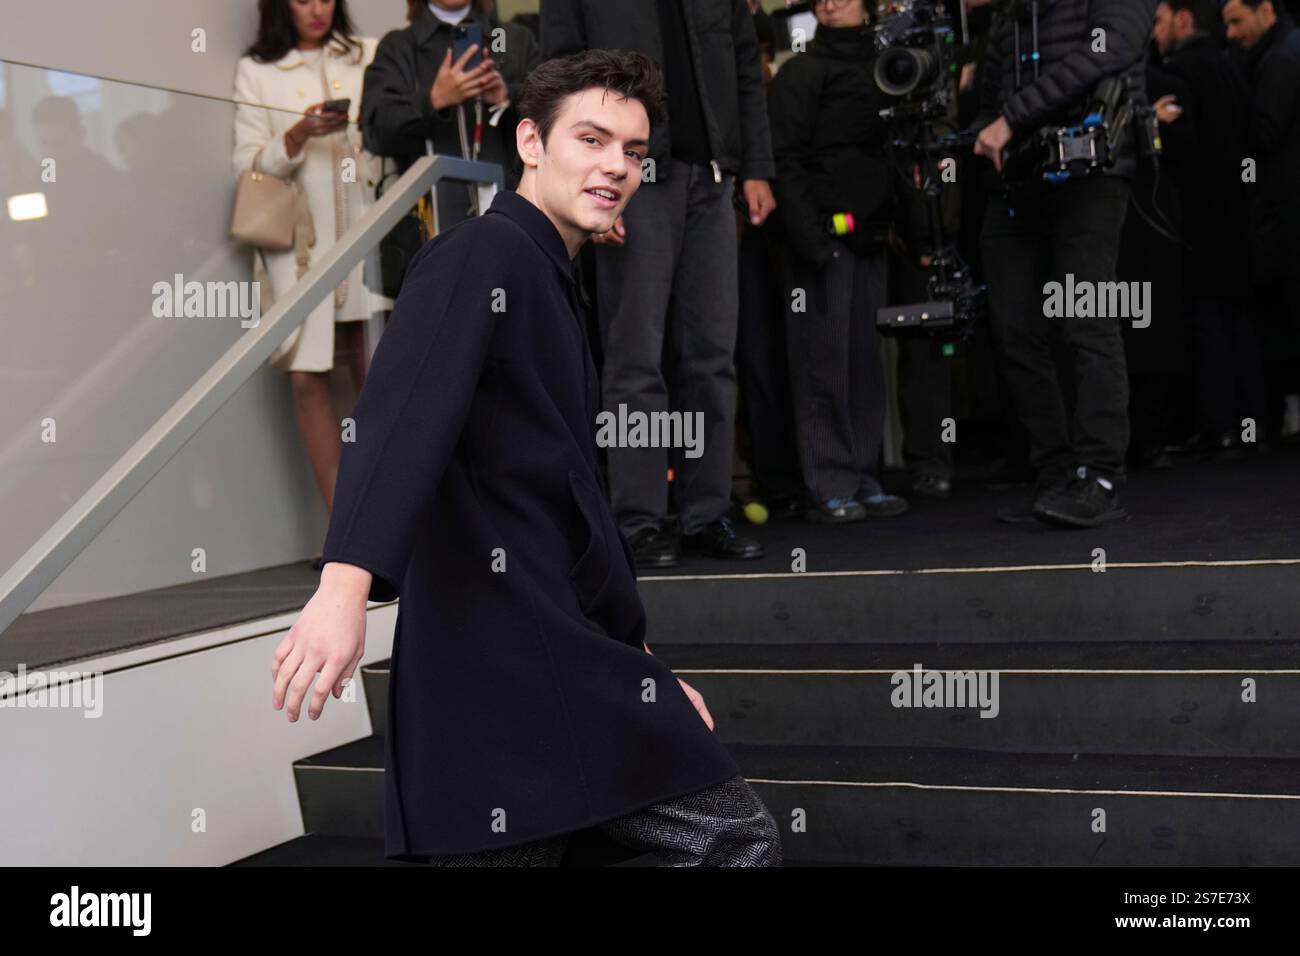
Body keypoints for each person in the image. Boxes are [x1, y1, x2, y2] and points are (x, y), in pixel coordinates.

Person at [272, 49, 783, 867]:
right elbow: (399, 418)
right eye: (591, 138)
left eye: (634, 152)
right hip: (502, 660)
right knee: (733, 840)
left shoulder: (548, 278)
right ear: (531, 144)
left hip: (544, 655)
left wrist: (639, 667)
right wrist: (343, 585)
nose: (616, 165)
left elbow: (571, 501)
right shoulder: (481, 255)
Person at [541, 0, 777, 568]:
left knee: (713, 358)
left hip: (714, 178)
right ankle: (639, 522)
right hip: (634, 178)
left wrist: (758, 168)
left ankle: (706, 514)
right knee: (634, 361)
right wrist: (594, 185)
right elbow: (561, 75)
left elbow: (746, 66)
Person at [973, 0, 1159, 528]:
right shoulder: (1010, 10)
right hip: (1019, 174)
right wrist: (985, 133)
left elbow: (1110, 49)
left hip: (1094, 166)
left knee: (1087, 318)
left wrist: (1011, 117)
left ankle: (1098, 475)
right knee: (1013, 329)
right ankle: (1054, 474)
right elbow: (991, 90)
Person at [233, 0, 392, 563]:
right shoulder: (259, 69)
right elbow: (246, 165)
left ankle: (395, 521)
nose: (317, 8)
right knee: (306, 378)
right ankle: (344, 536)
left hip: (368, 231)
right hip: (301, 245)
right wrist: (298, 135)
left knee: (380, 369)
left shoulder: (368, 55)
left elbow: (394, 128)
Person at [767, 0, 911, 522]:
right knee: (822, 363)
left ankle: (863, 475)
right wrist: (812, 239)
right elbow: (786, 158)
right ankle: (830, 482)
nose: (830, 3)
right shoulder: (800, 72)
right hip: (822, 243)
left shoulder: (889, 69)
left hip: (871, 238)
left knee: (864, 364)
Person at [1153, 0, 1267, 459]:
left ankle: (1221, 426)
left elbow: (1184, 146)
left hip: (1200, 215)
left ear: (1182, 19)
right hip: (1238, 213)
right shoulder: (1230, 65)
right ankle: (1251, 425)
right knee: (1239, 320)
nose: (1152, 34)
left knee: (1207, 321)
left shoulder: (1180, 72)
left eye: (1159, 22)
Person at [362, 0, 540, 236]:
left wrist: (507, 96)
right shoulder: (400, 46)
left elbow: (554, 117)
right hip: (427, 227)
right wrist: (434, 99)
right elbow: (376, 133)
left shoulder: (511, 38)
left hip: (516, 221)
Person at [1222, 0, 1300, 444]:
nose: (1231, 33)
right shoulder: (1285, 50)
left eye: (1237, 20)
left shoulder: (1280, 60)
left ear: (1265, 9)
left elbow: (1263, 134)